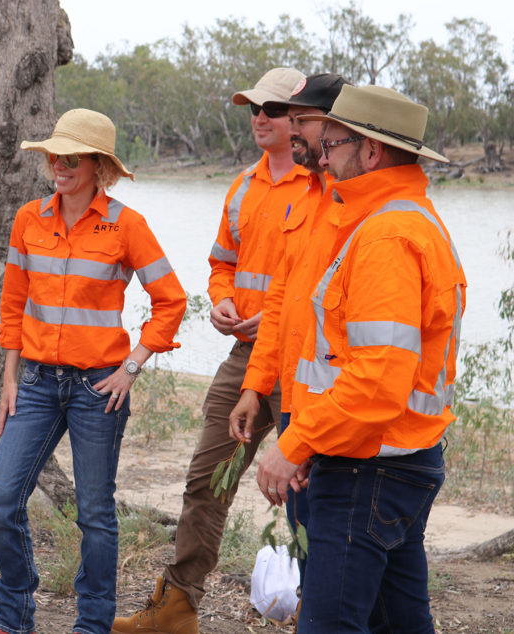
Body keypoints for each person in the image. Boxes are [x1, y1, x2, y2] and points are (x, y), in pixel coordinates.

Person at [255, 84, 466, 632]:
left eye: (332, 145)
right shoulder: (413, 220)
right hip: (399, 456)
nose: (321, 158)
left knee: (330, 623)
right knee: (399, 621)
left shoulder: (385, 237)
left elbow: (376, 380)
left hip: (368, 467)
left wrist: (294, 443)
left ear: (369, 150)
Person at [112, 67, 310, 634]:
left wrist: (272, 314)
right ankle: (177, 607)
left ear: (298, 120)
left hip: (304, 363)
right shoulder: (243, 184)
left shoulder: (323, 185)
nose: (260, 119)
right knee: (206, 481)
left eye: (272, 110)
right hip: (245, 357)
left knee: (311, 496)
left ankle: (323, 612)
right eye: (254, 109)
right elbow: (222, 262)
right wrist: (221, 302)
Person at [0, 108, 187, 634]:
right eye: (55, 155)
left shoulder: (126, 224)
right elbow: (13, 305)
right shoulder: (29, 218)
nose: (60, 164)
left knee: (95, 514)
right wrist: (9, 380)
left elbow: (170, 300)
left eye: (72, 157)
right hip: (32, 382)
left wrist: (133, 366)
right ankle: (13, 616)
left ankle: (93, 624)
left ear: (99, 166)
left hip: (98, 388)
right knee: (2, 499)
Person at [228, 73, 349, 584]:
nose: (289, 128)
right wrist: (256, 386)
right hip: (293, 398)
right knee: (312, 541)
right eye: (289, 119)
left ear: (336, 127)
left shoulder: (355, 208)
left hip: (337, 419)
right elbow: (281, 304)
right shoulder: (307, 202)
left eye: (299, 119)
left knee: (339, 562)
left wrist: (298, 440)